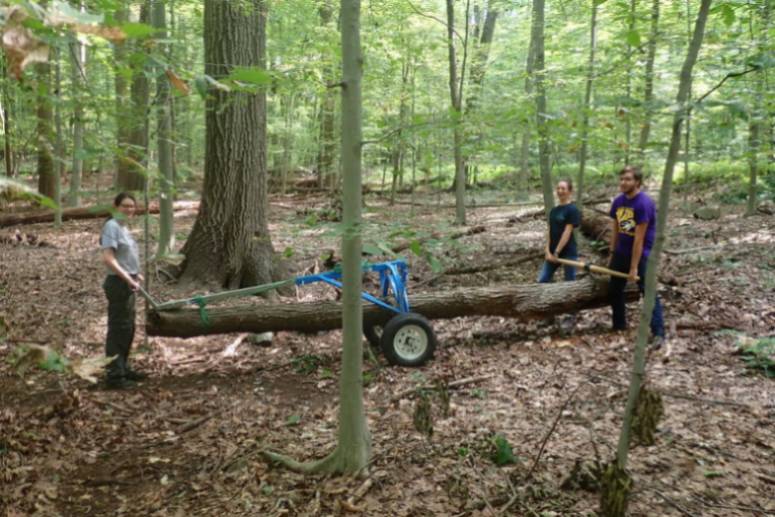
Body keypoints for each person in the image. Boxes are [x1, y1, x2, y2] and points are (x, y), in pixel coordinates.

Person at [608, 166, 665, 348]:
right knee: (614, 290)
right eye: (622, 179)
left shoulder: (643, 204)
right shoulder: (618, 202)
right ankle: (619, 325)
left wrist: (633, 268)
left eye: (628, 179)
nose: (623, 182)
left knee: (647, 292)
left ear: (637, 182)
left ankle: (659, 334)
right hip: (621, 252)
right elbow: (616, 229)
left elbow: (639, 240)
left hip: (642, 256)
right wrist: (612, 253)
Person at [100, 192, 145, 389]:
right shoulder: (111, 226)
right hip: (118, 284)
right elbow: (108, 258)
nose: (128, 209)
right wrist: (128, 278)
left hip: (128, 282)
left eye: (131, 206)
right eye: (125, 206)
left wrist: (136, 274)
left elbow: (125, 257)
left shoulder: (123, 228)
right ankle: (114, 377)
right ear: (116, 207)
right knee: (118, 329)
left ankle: (123, 368)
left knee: (128, 328)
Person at [538, 179, 581, 283]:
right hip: (552, 252)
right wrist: (547, 251)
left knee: (569, 283)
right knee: (542, 280)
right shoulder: (554, 211)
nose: (560, 191)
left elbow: (567, 232)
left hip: (568, 252)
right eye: (558, 188)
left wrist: (557, 252)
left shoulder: (572, 210)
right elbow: (549, 231)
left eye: (563, 188)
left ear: (570, 192)